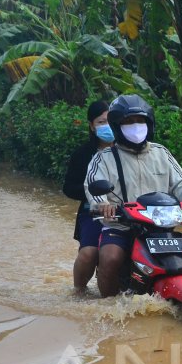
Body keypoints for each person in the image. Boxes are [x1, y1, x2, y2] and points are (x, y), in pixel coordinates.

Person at [84, 94, 182, 298]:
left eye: (140, 121)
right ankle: (109, 307)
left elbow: (181, 183)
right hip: (122, 227)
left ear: (149, 123)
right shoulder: (104, 158)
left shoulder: (161, 153)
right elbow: (93, 185)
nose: (135, 126)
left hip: (161, 228)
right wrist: (103, 204)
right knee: (110, 258)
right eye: (128, 122)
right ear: (117, 126)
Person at [62, 100, 113, 293]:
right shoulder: (83, 155)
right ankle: (78, 290)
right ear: (92, 126)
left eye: (110, 120)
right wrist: (95, 195)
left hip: (128, 211)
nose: (106, 126)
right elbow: (68, 188)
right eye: (101, 122)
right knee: (88, 254)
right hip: (93, 212)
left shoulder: (127, 151)